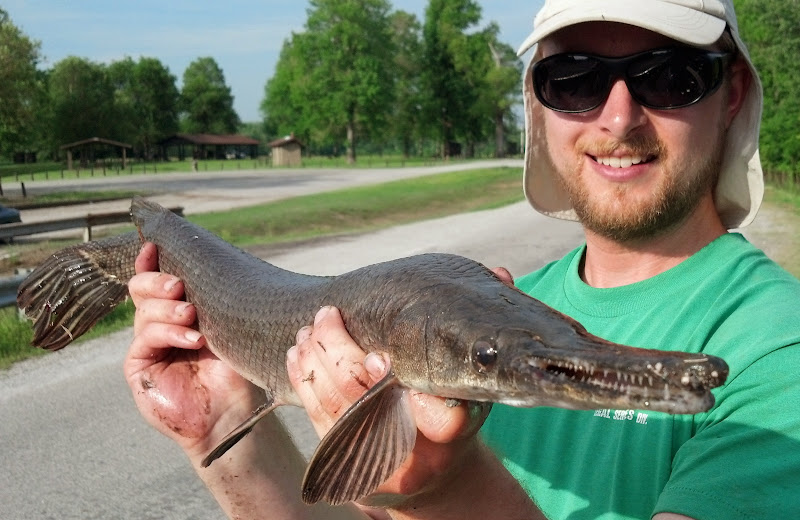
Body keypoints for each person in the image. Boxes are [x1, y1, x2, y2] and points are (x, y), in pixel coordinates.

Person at [125, 0, 800, 518]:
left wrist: (445, 493)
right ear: (539, 102)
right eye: (574, 79)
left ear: (734, 92)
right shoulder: (512, 307)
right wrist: (225, 429)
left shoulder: (779, 350)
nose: (619, 118)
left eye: (672, 77)